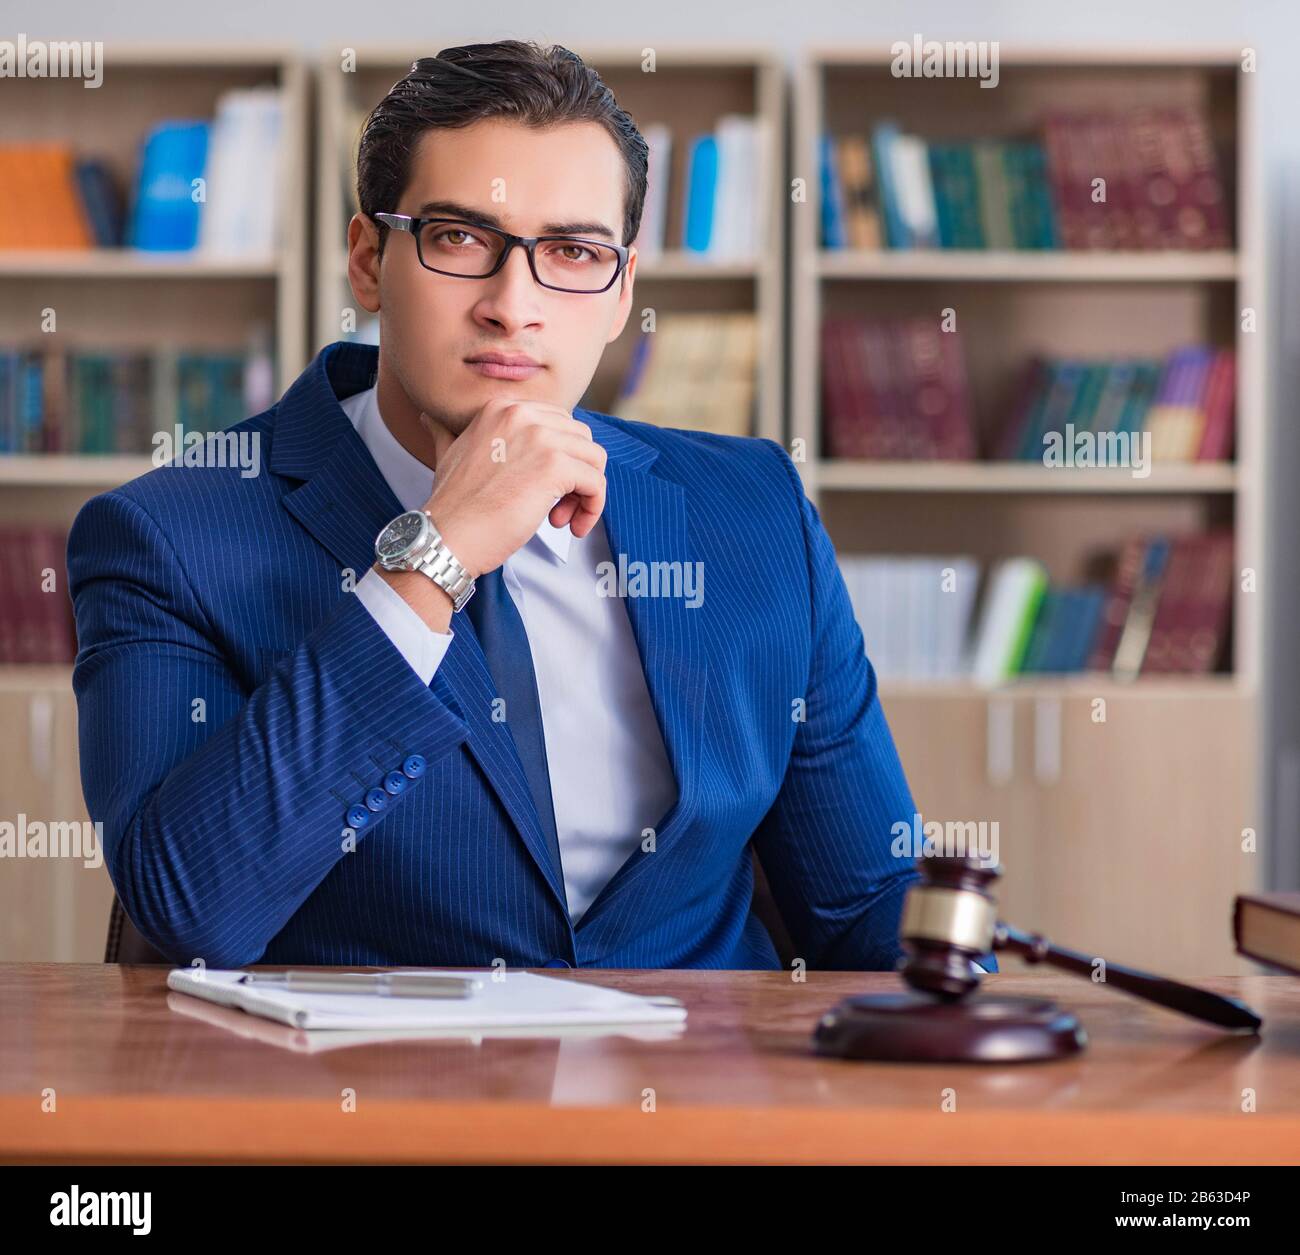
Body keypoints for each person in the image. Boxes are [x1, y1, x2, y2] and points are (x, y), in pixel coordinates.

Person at [68, 39, 995, 973]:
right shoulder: (171, 536)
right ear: (366, 259)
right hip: (377, 1104)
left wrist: (974, 1022)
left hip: (703, 1101)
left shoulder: (752, 512)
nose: (515, 305)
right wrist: (436, 555)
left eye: (573, 251)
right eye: (460, 238)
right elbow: (192, 906)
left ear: (622, 289)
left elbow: (867, 900)